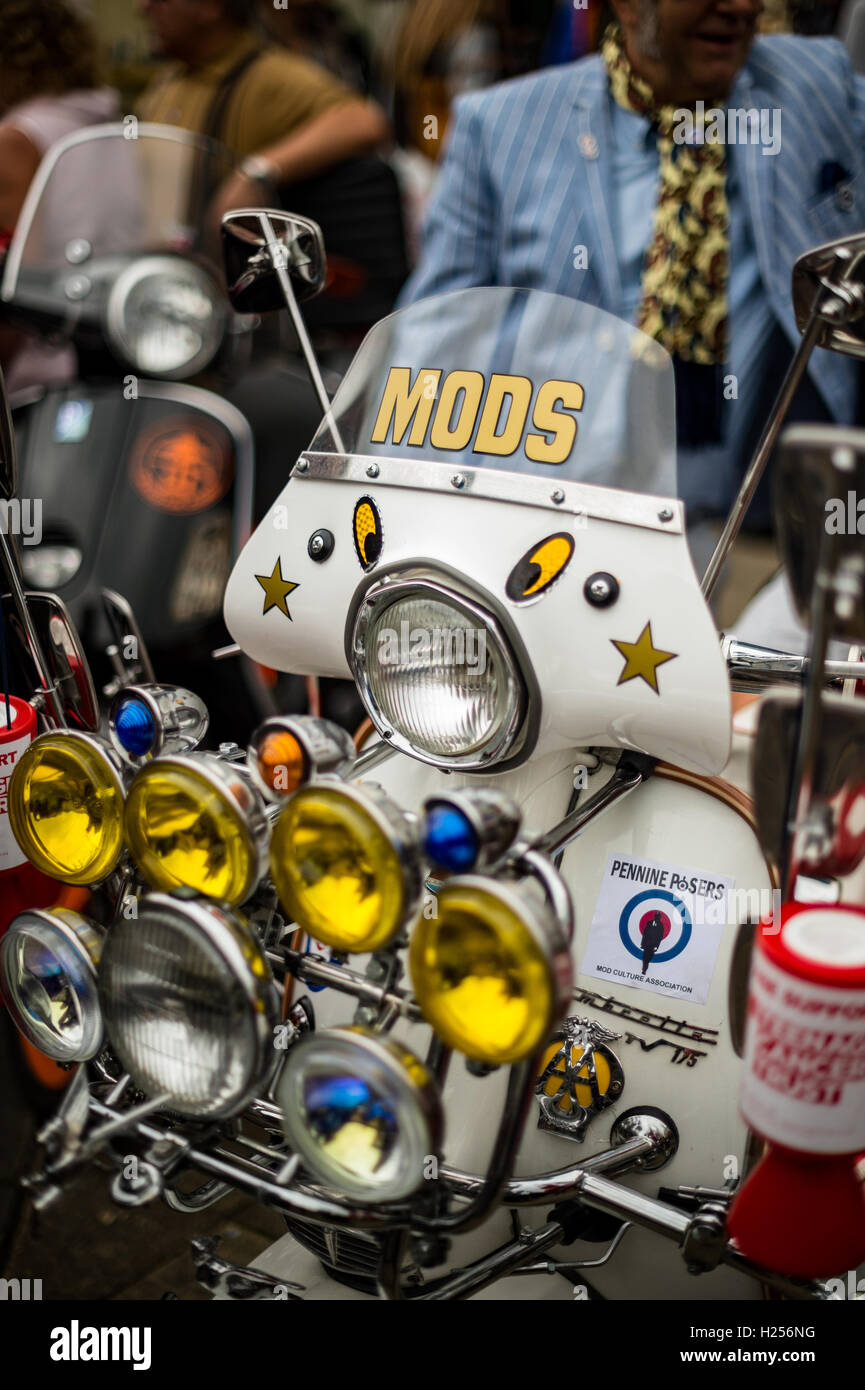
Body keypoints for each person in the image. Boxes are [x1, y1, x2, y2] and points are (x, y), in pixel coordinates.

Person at [401, 0, 865, 574]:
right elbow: (427, 357)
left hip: (756, 546)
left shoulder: (816, 89)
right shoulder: (499, 127)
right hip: (545, 536)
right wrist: (420, 545)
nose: (741, 6)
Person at [137, 0, 389, 222]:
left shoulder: (268, 75)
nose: (143, 7)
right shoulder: (167, 82)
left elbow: (365, 121)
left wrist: (256, 173)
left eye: (162, 0)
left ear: (210, 6)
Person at [0, 0, 120, 392]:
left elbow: (17, 272)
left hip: (43, 366)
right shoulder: (106, 122)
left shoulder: (18, 137)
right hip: (119, 341)